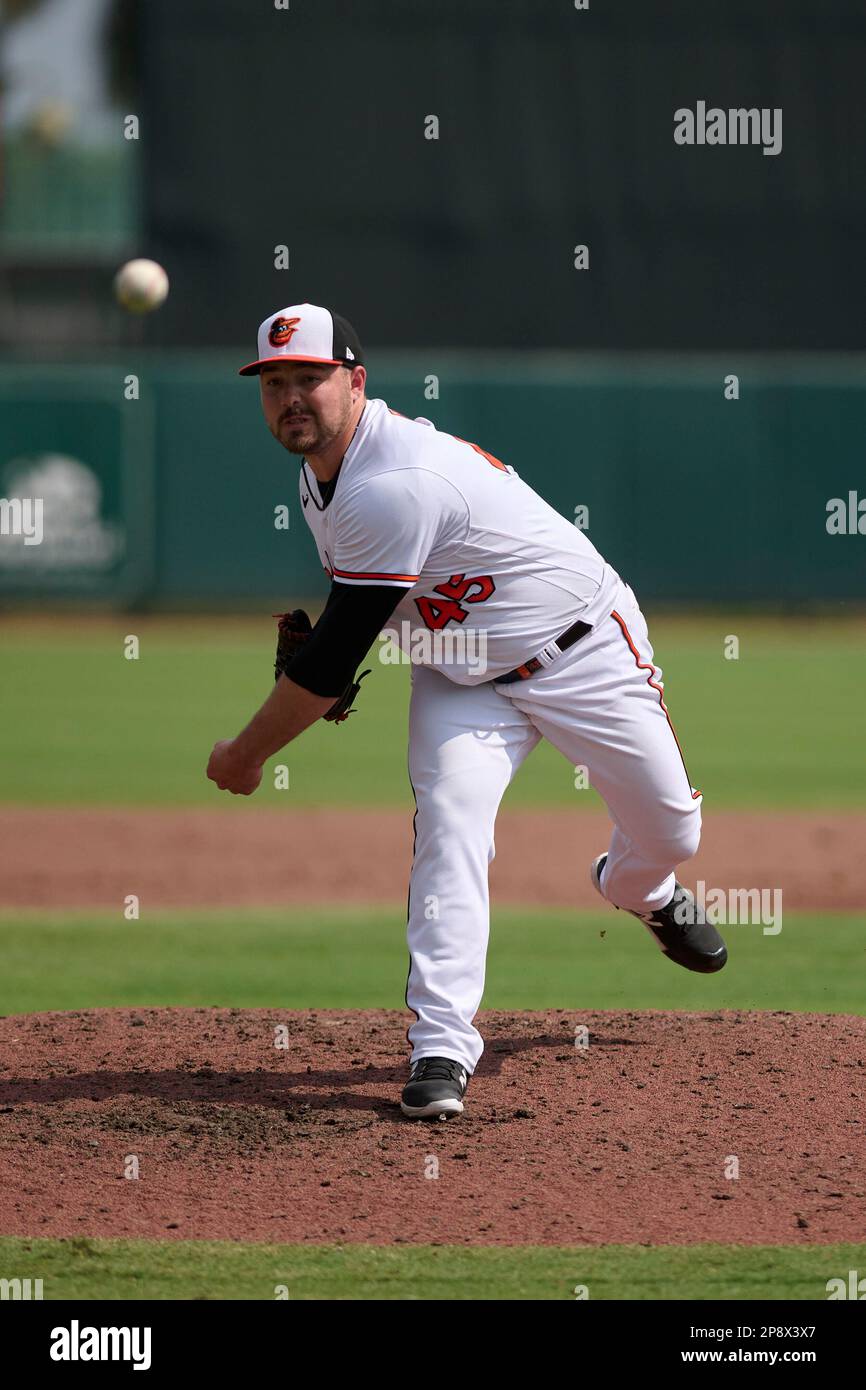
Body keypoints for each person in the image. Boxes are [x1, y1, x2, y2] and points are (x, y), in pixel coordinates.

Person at [207, 302, 727, 1121]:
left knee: (673, 833)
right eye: (274, 383)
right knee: (450, 829)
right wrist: (334, 653)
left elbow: (332, 660)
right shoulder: (319, 477)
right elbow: (367, 609)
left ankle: (641, 888)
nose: (291, 398)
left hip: (581, 650)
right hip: (457, 674)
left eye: (309, 377)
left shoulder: (395, 481)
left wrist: (245, 752)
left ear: (355, 381)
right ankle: (441, 1048)